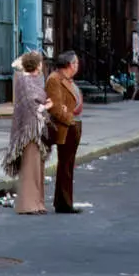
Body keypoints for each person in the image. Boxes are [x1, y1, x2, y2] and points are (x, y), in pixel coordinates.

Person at [3, 51, 52, 214]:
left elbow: (39, 100)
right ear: (36, 64)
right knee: (30, 167)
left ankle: (38, 202)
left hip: (38, 128)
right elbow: (31, 103)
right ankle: (27, 204)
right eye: (40, 62)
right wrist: (46, 107)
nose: (42, 65)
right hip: (29, 129)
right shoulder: (24, 80)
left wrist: (45, 105)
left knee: (38, 167)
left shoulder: (36, 79)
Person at [45, 51, 83, 214]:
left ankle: (63, 201)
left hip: (72, 126)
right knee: (65, 166)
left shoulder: (68, 80)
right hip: (65, 128)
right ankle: (64, 204)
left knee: (68, 166)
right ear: (69, 65)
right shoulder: (54, 80)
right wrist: (70, 120)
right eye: (76, 63)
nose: (77, 66)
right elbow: (55, 107)